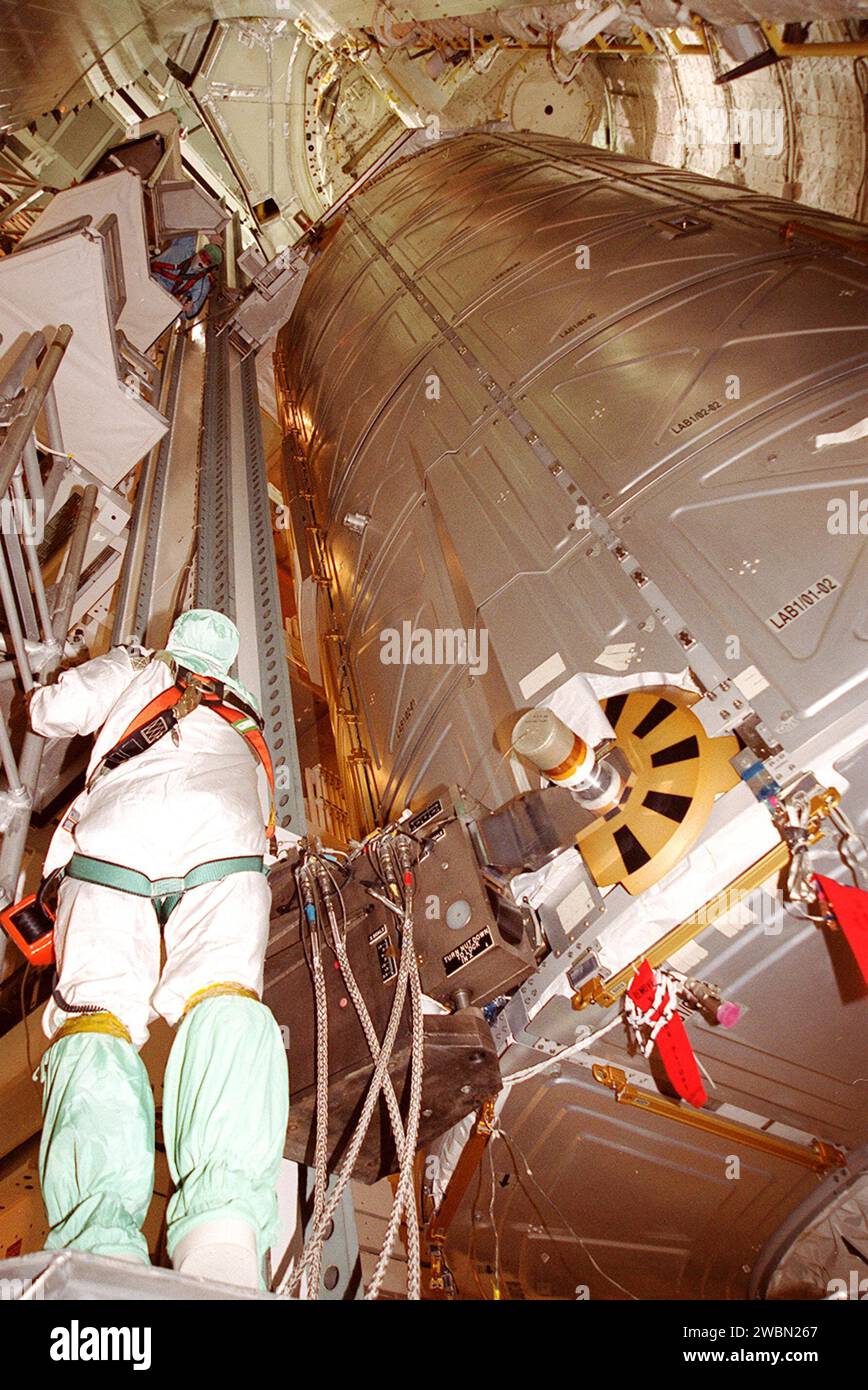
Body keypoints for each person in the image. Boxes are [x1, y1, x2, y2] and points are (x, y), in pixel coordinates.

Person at [29, 609, 289, 1289]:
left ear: (174, 644)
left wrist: (43, 693)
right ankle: (224, 1243)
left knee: (99, 1020)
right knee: (225, 998)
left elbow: (52, 711)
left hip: (116, 850)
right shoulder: (250, 721)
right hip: (227, 855)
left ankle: (99, 1249)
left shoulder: (140, 668)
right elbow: (267, 819)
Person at [151, 234, 224, 320]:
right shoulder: (185, 246)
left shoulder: (201, 283)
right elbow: (187, 225)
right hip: (145, 271)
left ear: (210, 266)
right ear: (200, 250)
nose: (201, 260)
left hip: (160, 295)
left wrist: (189, 309)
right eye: (203, 254)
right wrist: (208, 232)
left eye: (207, 261)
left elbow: (191, 311)